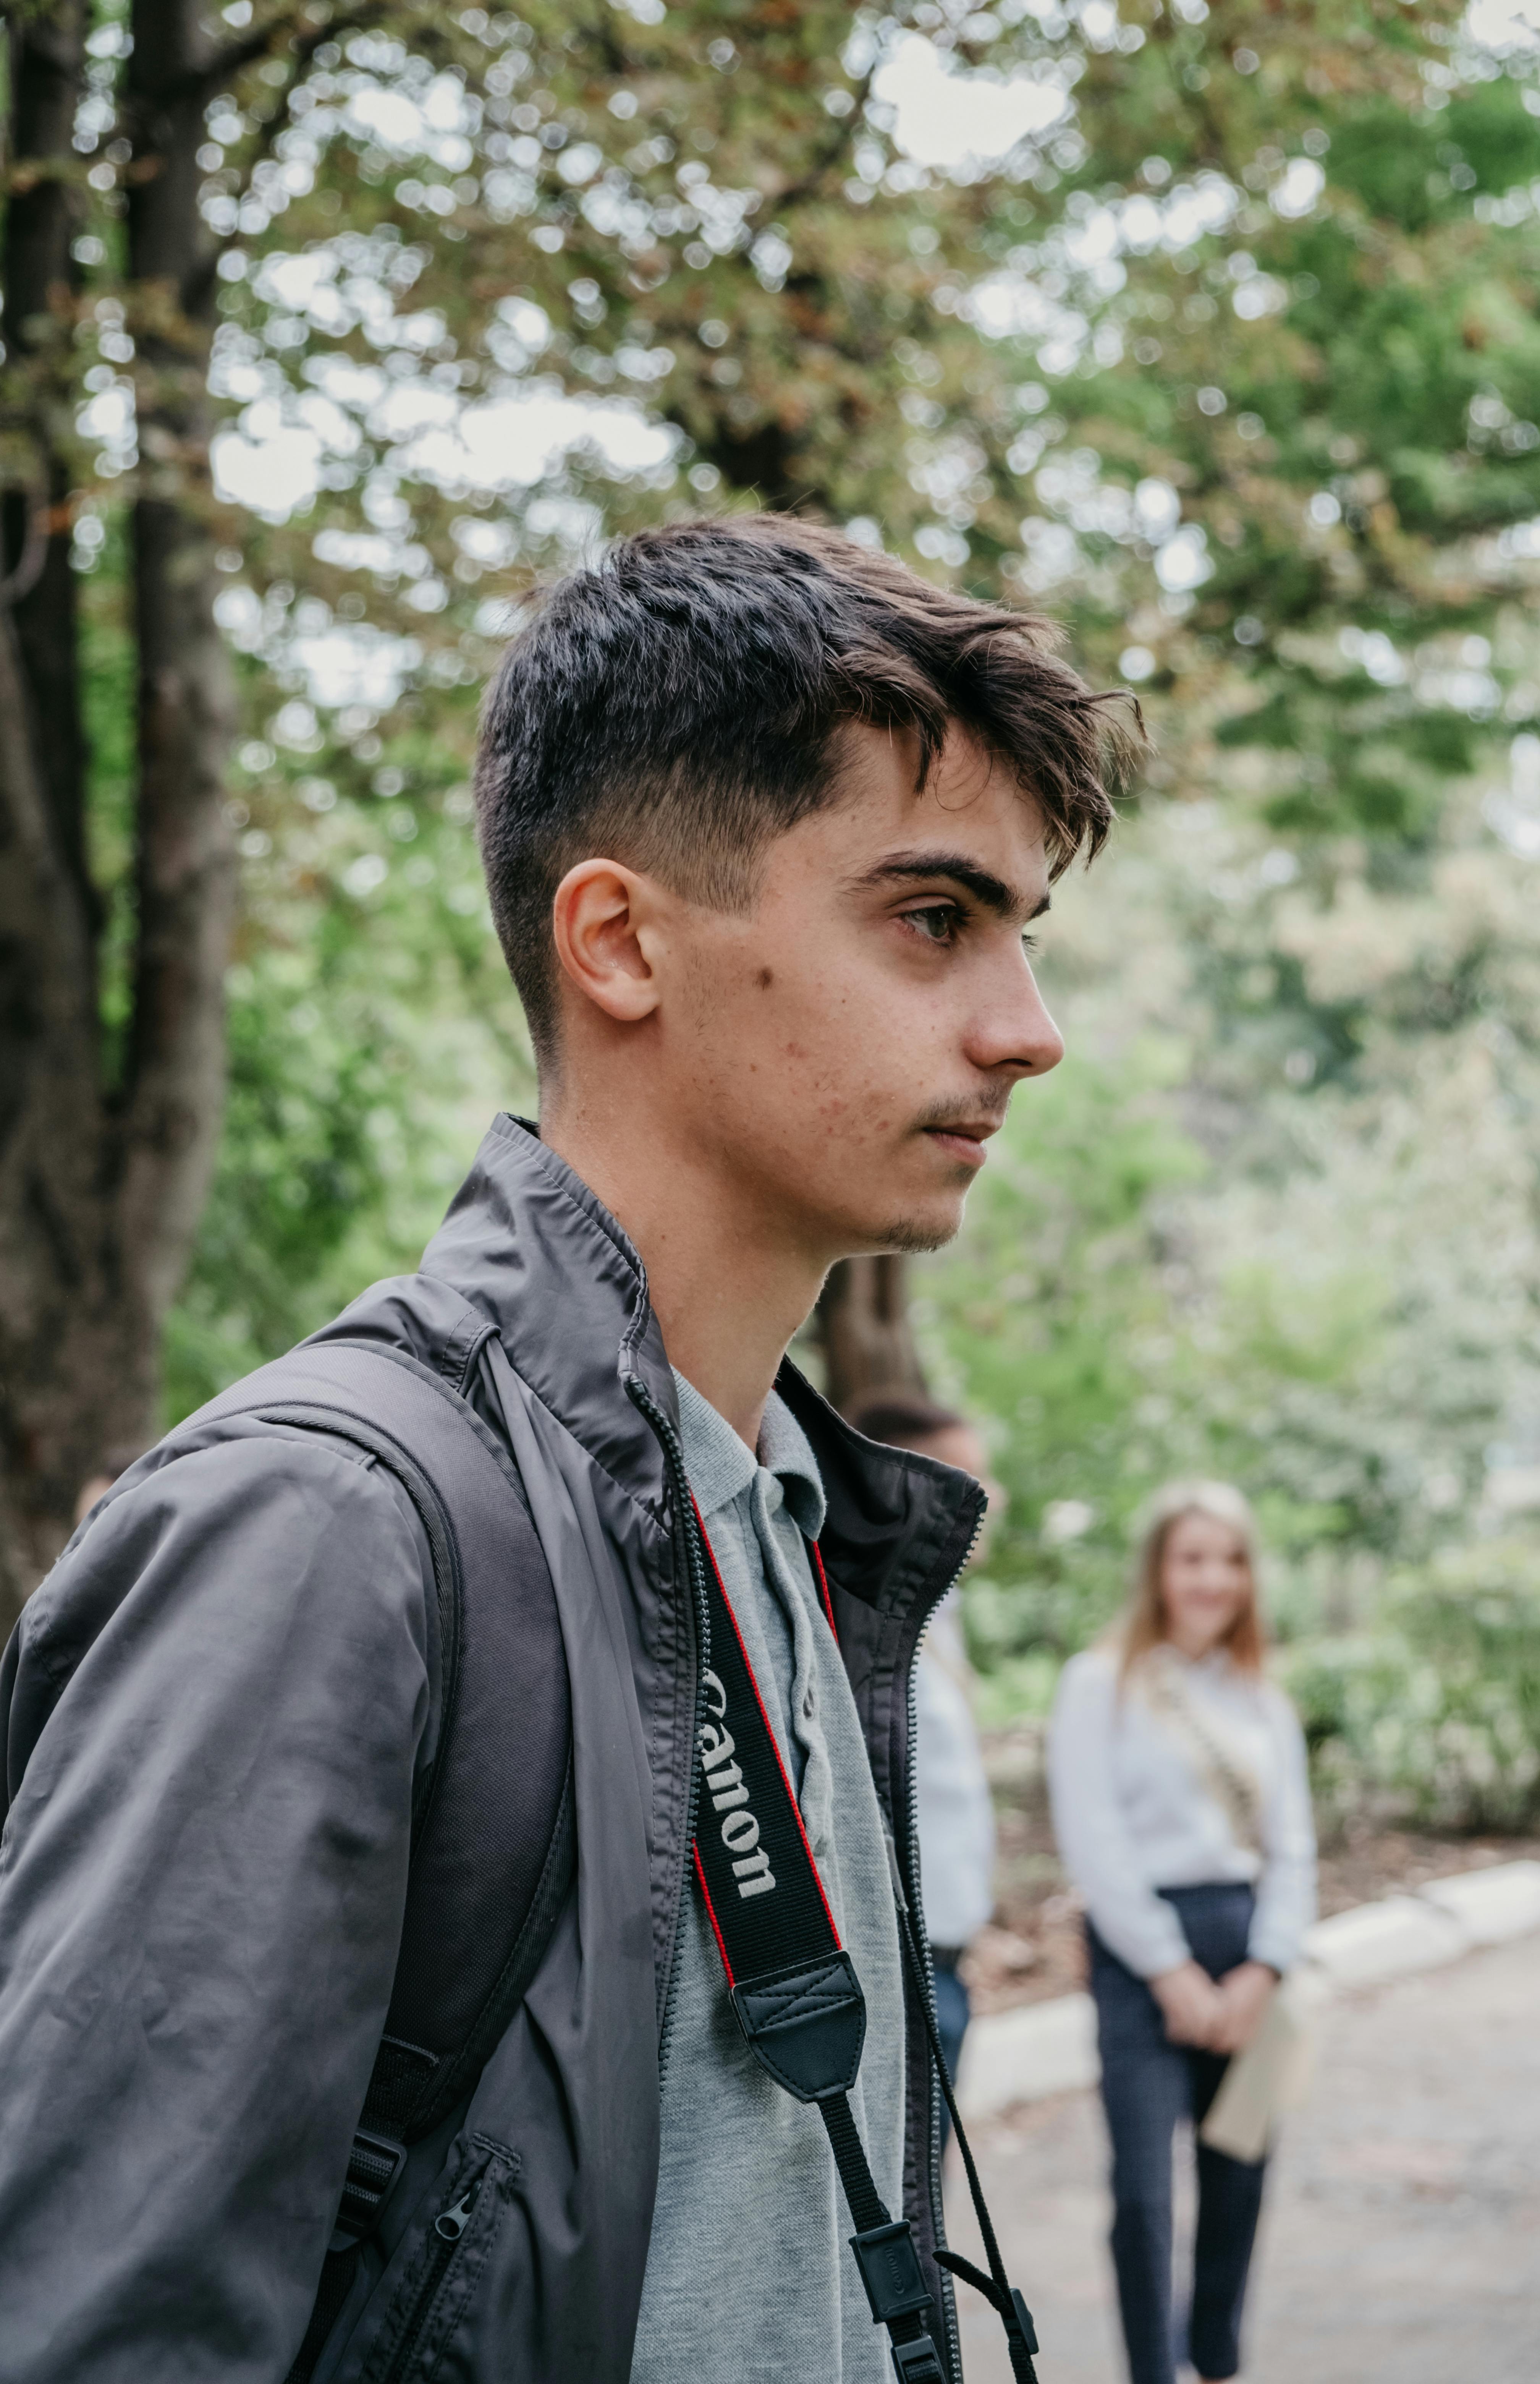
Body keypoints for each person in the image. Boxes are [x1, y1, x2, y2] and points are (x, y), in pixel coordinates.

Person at [0, 515, 1132, 2384]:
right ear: (619, 940)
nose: (1030, 1029)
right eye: (935, 919)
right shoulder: (328, 1525)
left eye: (1018, 932)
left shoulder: (793, 1507)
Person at [1047, 1481, 1316, 2384]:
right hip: (1139, 1956)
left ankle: (1216, 2360)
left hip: (1248, 1949)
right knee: (1143, 2196)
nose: (1212, 1579)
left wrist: (1266, 1968)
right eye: (1192, 1558)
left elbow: (1294, 1848)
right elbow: (1094, 1841)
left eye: (1230, 1560)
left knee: (1240, 2175)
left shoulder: (1261, 1699)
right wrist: (1169, 1972)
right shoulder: (1100, 1683)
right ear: (1157, 1569)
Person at [849, 1395, 1001, 2128]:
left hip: (948, 1960)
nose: (985, 1500)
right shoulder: (859, 1624)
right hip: (896, 1970)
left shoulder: (943, 1614)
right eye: (962, 1477)